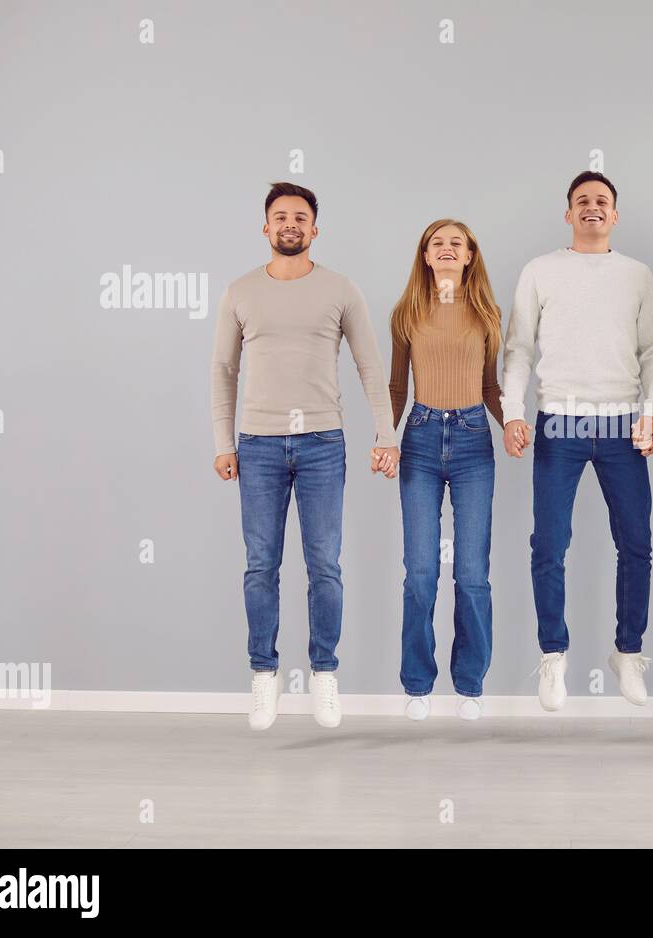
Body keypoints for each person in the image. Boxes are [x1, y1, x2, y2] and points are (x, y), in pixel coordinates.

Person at [210, 181, 398, 731]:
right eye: (280, 216)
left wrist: (386, 435)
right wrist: (224, 443)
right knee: (260, 565)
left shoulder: (341, 290)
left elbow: (370, 367)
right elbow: (224, 372)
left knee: (325, 565)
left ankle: (324, 674)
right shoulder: (239, 292)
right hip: (259, 445)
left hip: (322, 443)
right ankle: (264, 675)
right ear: (265, 228)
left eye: (300, 217)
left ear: (315, 230)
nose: (290, 224)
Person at [501, 171, 653, 711]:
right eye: (582, 202)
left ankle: (628, 651)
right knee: (549, 544)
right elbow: (519, 347)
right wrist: (511, 412)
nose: (592, 208)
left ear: (615, 215)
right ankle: (553, 656)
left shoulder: (637, 274)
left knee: (637, 544)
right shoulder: (540, 271)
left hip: (622, 423)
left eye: (602, 202)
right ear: (567, 213)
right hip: (561, 422)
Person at [388, 219, 504, 723]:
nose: (448, 248)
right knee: (420, 571)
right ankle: (417, 683)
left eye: (457, 242)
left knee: (473, 573)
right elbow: (395, 387)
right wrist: (384, 438)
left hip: (475, 440)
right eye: (439, 243)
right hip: (419, 437)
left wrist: (512, 424)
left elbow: (493, 387)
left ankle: (471, 683)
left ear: (470, 254)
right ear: (427, 255)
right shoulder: (407, 313)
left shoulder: (487, 315)